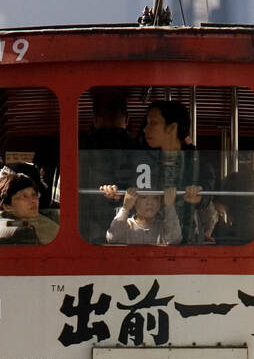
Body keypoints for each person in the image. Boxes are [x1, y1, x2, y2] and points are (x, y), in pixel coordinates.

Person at [100, 99, 211, 244]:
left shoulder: (197, 160)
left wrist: (200, 196)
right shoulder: (137, 158)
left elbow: (210, 192)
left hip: (190, 238)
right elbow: (123, 186)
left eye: (153, 123)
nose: (145, 129)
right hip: (147, 238)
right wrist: (113, 192)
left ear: (172, 128)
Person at [79, 88, 138, 242]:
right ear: (127, 119)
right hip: (132, 227)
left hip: (87, 226)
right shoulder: (140, 150)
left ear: (95, 120)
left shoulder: (79, 149)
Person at [106, 186, 182, 245]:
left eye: (156, 198)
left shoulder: (163, 227)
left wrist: (169, 207)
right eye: (143, 197)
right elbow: (113, 239)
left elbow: (174, 240)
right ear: (134, 201)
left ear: (160, 203)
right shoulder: (126, 225)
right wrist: (125, 208)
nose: (150, 202)